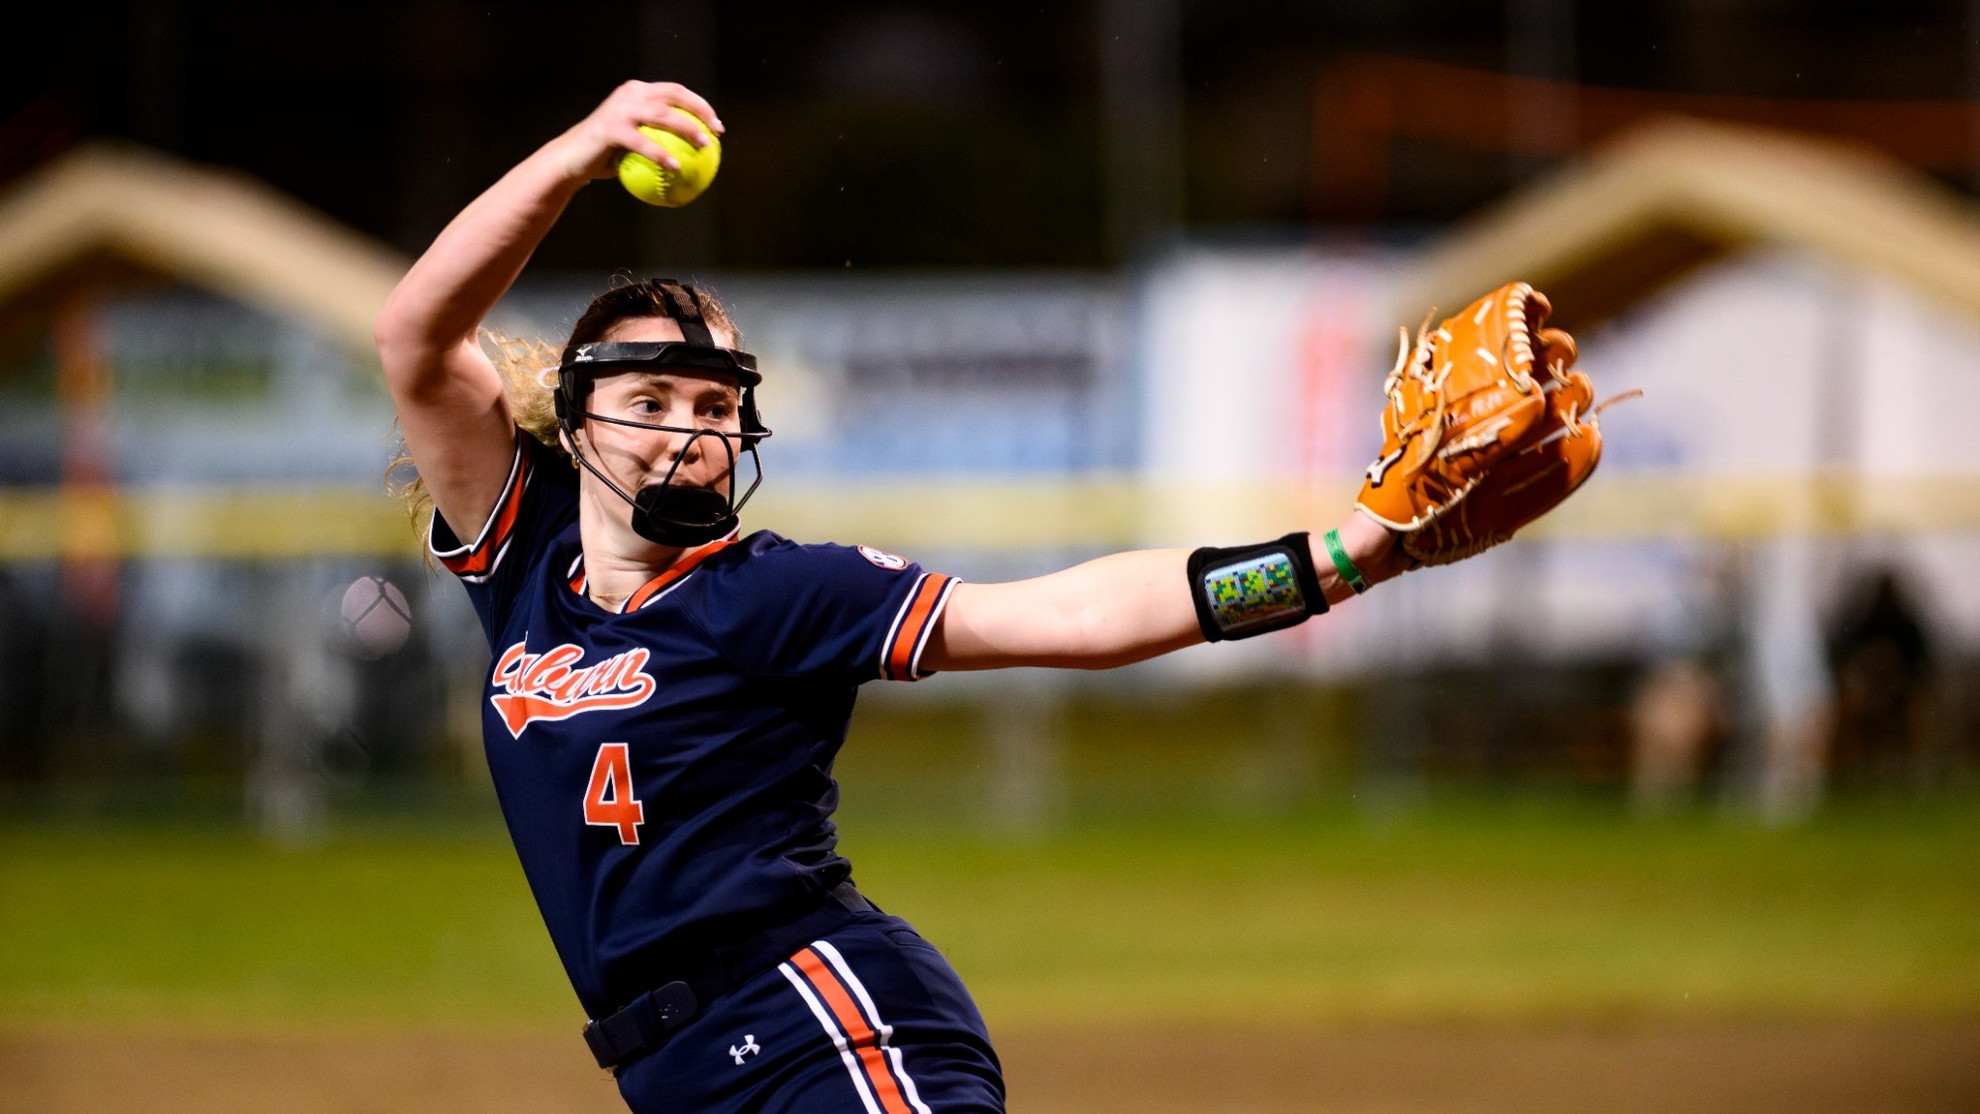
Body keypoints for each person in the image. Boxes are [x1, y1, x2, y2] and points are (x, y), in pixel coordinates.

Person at [375, 79, 1407, 1114]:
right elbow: (415, 336)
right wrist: (573, 157)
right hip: (673, 1076)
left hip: (821, 1026)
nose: (690, 432)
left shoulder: (772, 588)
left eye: (715, 403)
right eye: (649, 400)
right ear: (580, 422)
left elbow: (1076, 617)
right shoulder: (527, 558)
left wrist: (1340, 556)